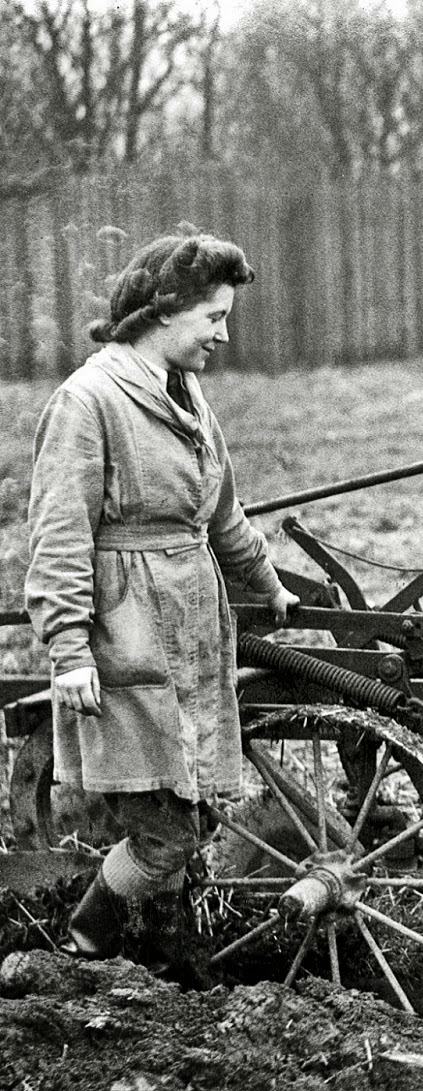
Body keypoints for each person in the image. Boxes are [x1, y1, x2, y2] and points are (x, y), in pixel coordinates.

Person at [25, 232, 298, 969]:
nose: (224, 332)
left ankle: (169, 954)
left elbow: (224, 514)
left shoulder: (187, 392)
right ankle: (84, 936)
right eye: (213, 315)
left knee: (200, 801)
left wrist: (269, 584)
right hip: (128, 631)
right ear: (163, 311)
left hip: (191, 620)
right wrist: (69, 650)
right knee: (167, 827)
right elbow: (57, 536)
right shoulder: (88, 401)